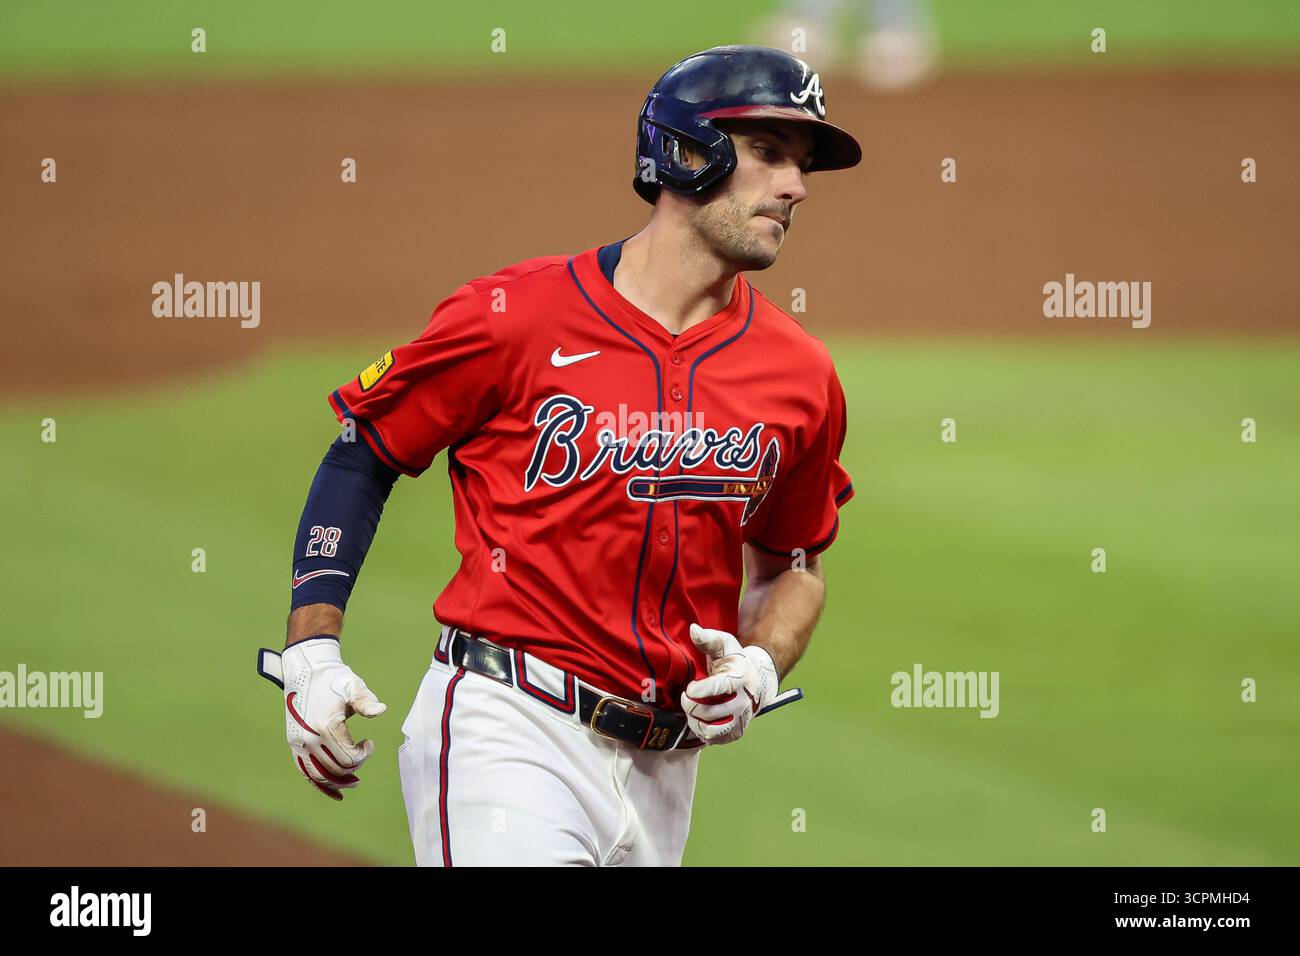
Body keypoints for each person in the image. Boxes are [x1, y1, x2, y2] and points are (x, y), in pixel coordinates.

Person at [257, 45, 861, 867]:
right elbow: (363, 452)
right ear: (686, 151)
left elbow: (794, 561)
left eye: (802, 165)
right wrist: (310, 651)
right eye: (768, 153)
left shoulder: (800, 372)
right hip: (509, 730)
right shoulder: (516, 317)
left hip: (665, 771)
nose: (795, 185)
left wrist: (760, 664)